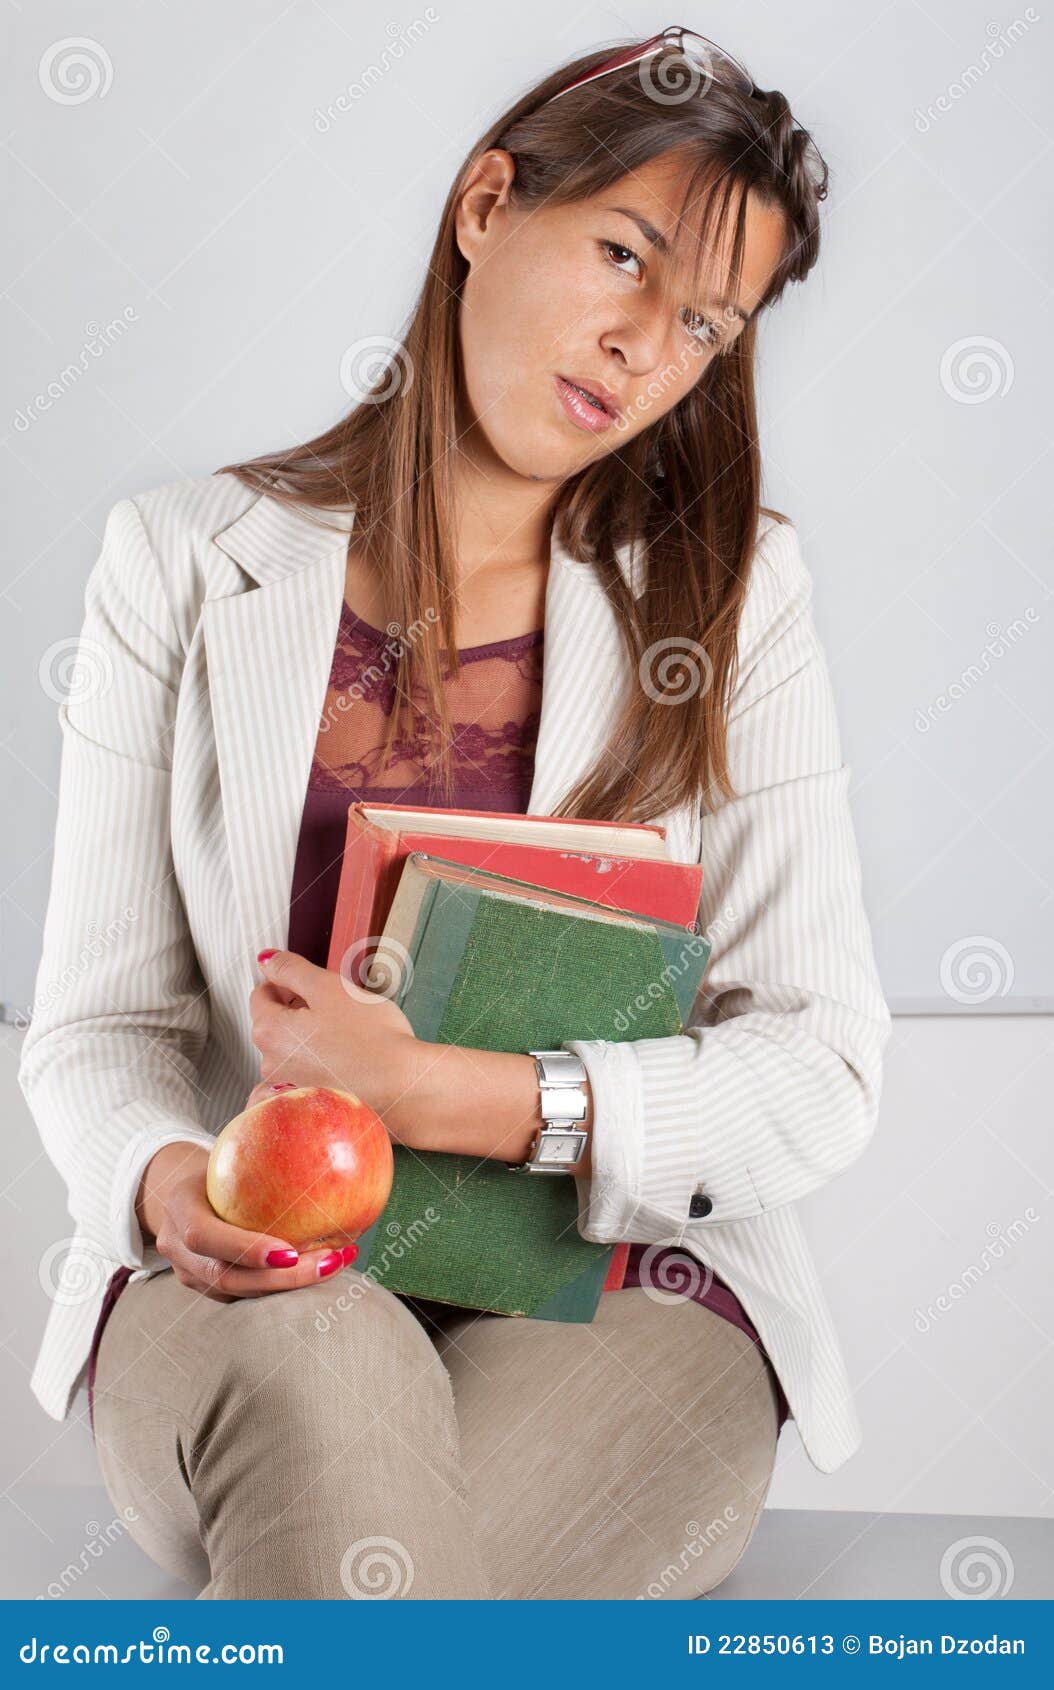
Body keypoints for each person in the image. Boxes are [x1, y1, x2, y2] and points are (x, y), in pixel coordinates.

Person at [19, 28, 891, 1599]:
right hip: (253, 1282)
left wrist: (458, 1096)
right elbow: (103, 1028)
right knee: (335, 1403)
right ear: (487, 205)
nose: (641, 345)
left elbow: (817, 1062)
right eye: (622, 256)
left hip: (624, 1291)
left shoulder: (734, 598)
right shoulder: (180, 562)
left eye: (704, 321)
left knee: (380, 1569)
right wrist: (159, 1178)